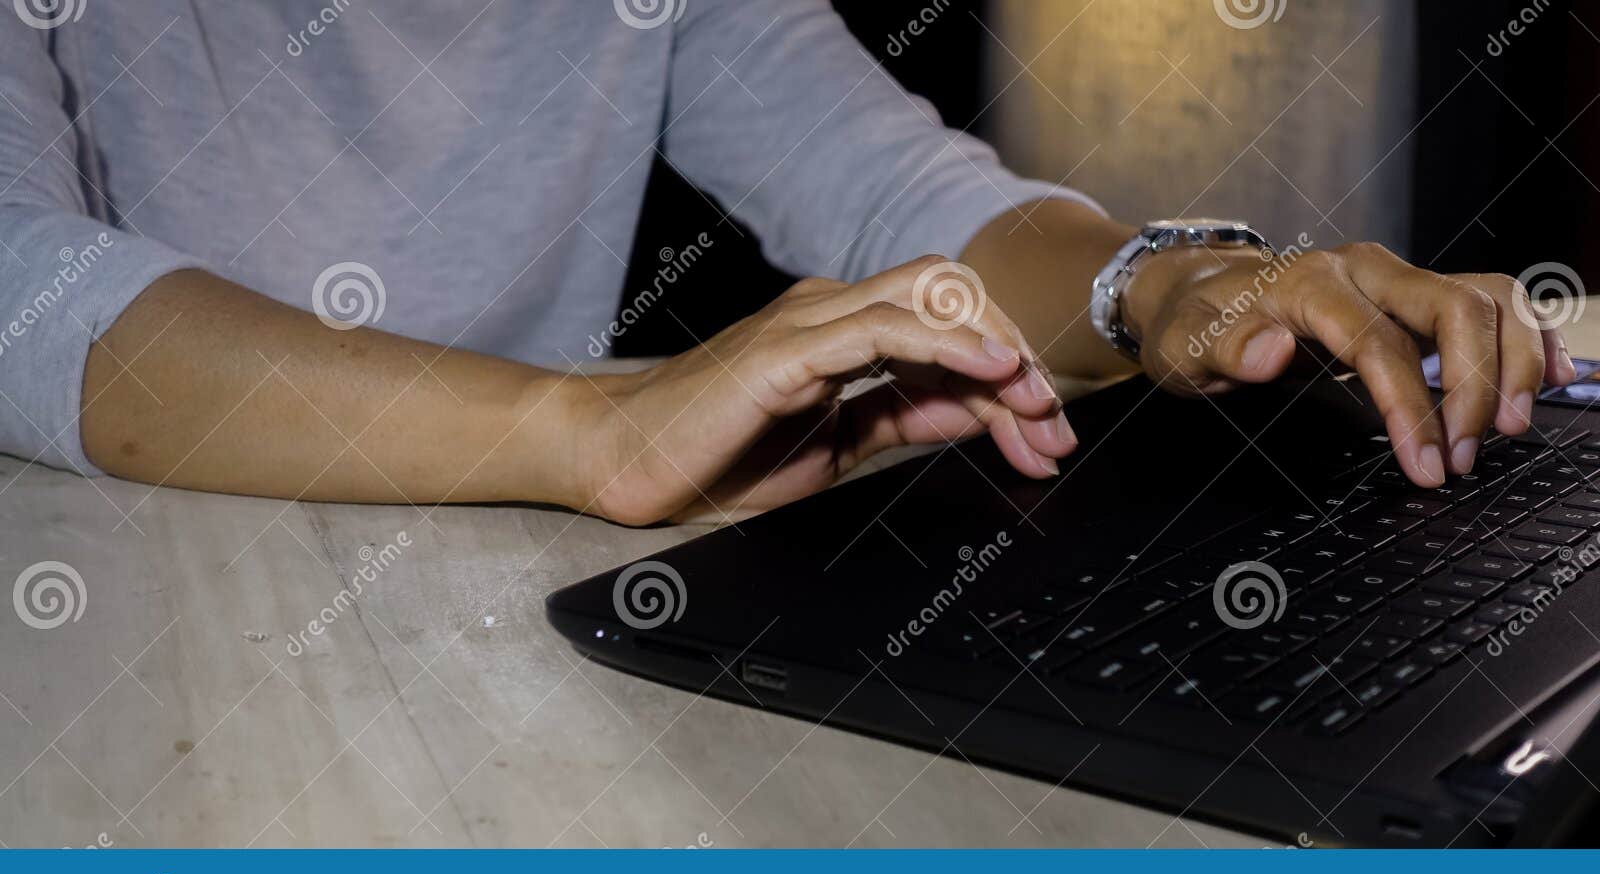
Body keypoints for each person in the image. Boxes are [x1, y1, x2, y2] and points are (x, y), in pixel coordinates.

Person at [0, 1, 1575, 526]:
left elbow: (889, 179)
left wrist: (1165, 286)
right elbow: (18, 279)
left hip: (507, 599)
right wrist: (588, 433)